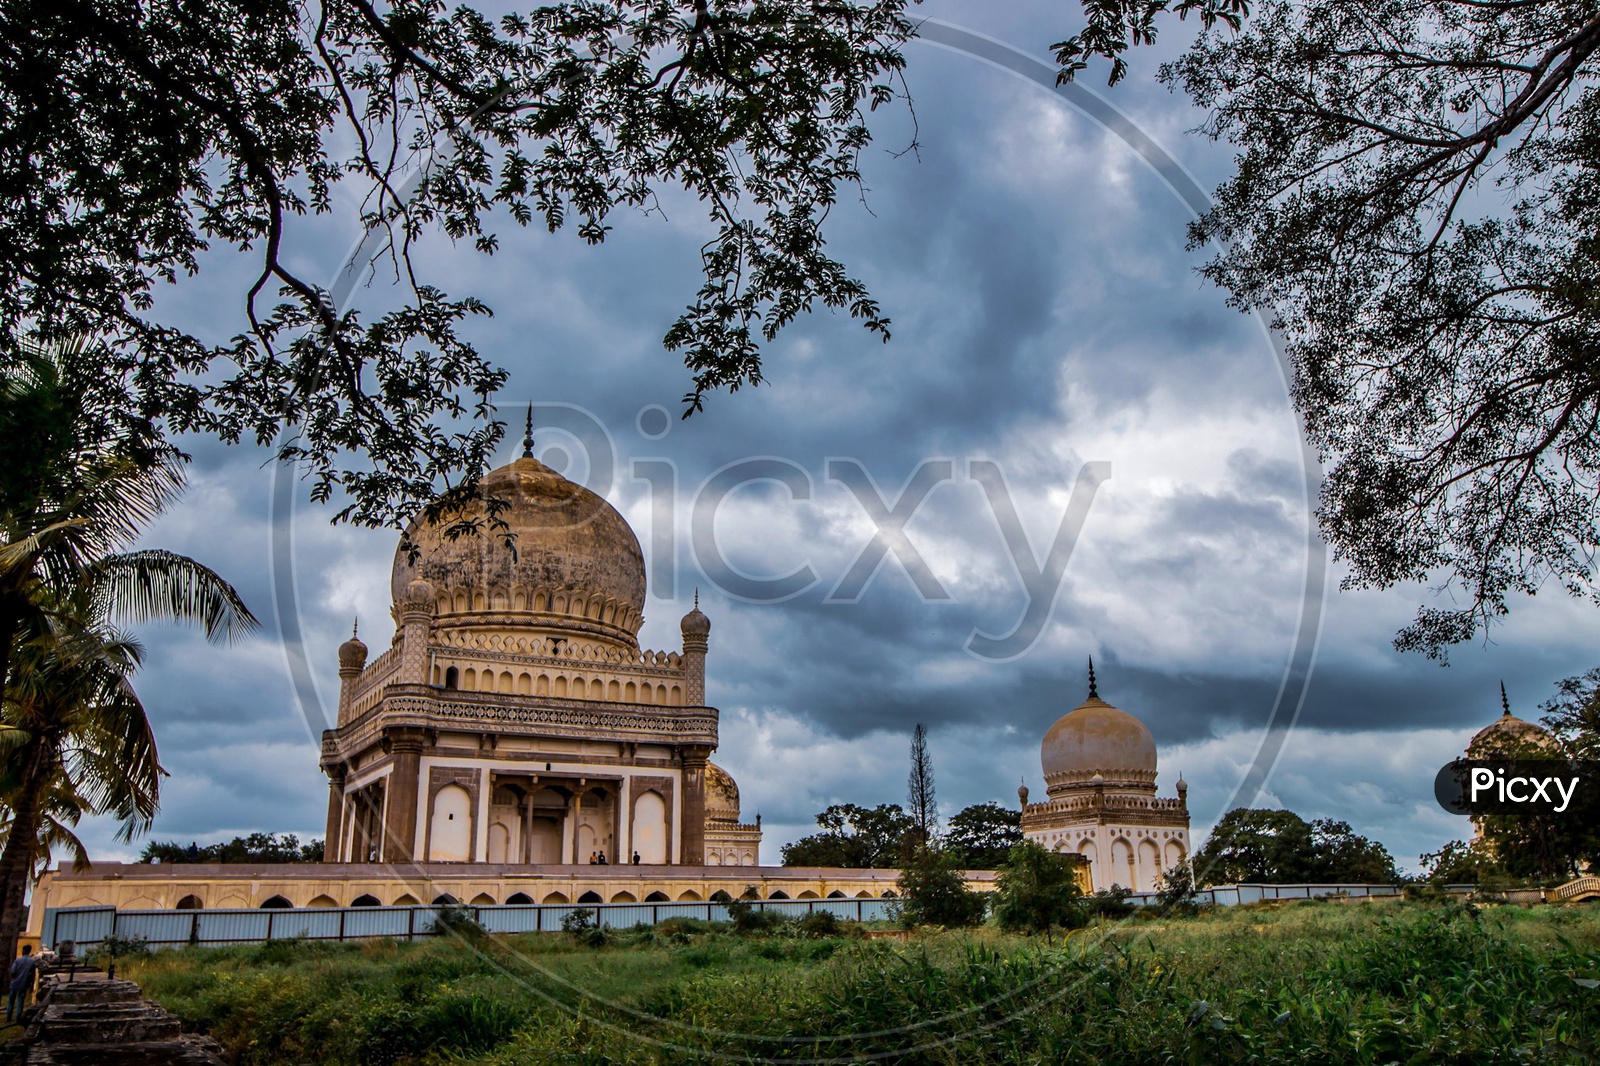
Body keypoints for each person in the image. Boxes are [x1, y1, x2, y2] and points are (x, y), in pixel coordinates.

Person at [7, 946, 38, 1025]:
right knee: (20, 1002)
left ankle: (8, 1017)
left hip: (14, 983)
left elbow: (13, 972)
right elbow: (33, 974)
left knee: (11, 1001)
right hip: (24, 984)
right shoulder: (32, 961)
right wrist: (30, 985)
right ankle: (17, 1019)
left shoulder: (17, 960)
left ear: (23, 951)